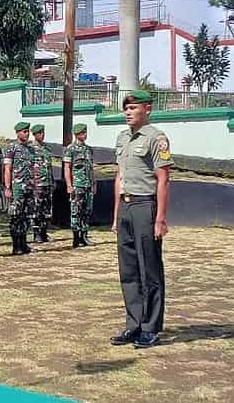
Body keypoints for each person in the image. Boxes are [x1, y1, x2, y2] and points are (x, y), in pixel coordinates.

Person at [110, 90, 172, 349]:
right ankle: (133, 323)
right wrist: (115, 214)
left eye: (133, 108)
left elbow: (163, 179)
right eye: (126, 108)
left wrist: (160, 218)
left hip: (145, 205)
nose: (128, 112)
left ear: (147, 109)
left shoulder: (156, 137)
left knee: (149, 269)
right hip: (125, 206)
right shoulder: (123, 137)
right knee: (129, 270)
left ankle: (151, 326)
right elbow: (119, 176)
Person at [3, 121, 37, 255]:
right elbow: (7, 169)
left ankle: (24, 244)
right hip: (16, 188)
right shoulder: (11, 148)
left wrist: (34, 185)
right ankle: (16, 245)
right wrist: (7, 187)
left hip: (28, 188)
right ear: (17, 133)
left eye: (28, 131)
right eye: (24, 131)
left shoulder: (30, 149)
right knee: (16, 217)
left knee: (26, 217)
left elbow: (33, 169)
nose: (27, 133)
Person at [64, 122, 95, 247]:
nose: (85, 135)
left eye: (85, 132)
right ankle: (76, 238)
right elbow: (67, 168)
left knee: (87, 210)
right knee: (76, 211)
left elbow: (91, 168)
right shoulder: (70, 149)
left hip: (88, 185)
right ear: (77, 134)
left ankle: (84, 235)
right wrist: (69, 185)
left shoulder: (89, 149)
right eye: (83, 133)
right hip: (77, 185)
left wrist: (94, 183)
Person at [30, 124, 54, 243]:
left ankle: (44, 232)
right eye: (39, 133)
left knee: (46, 209)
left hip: (47, 183)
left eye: (43, 132)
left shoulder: (47, 149)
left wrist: (52, 181)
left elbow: (49, 167)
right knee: (36, 209)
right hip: (37, 184)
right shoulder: (30, 149)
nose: (42, 135)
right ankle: (36, 234)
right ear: (34, 135)